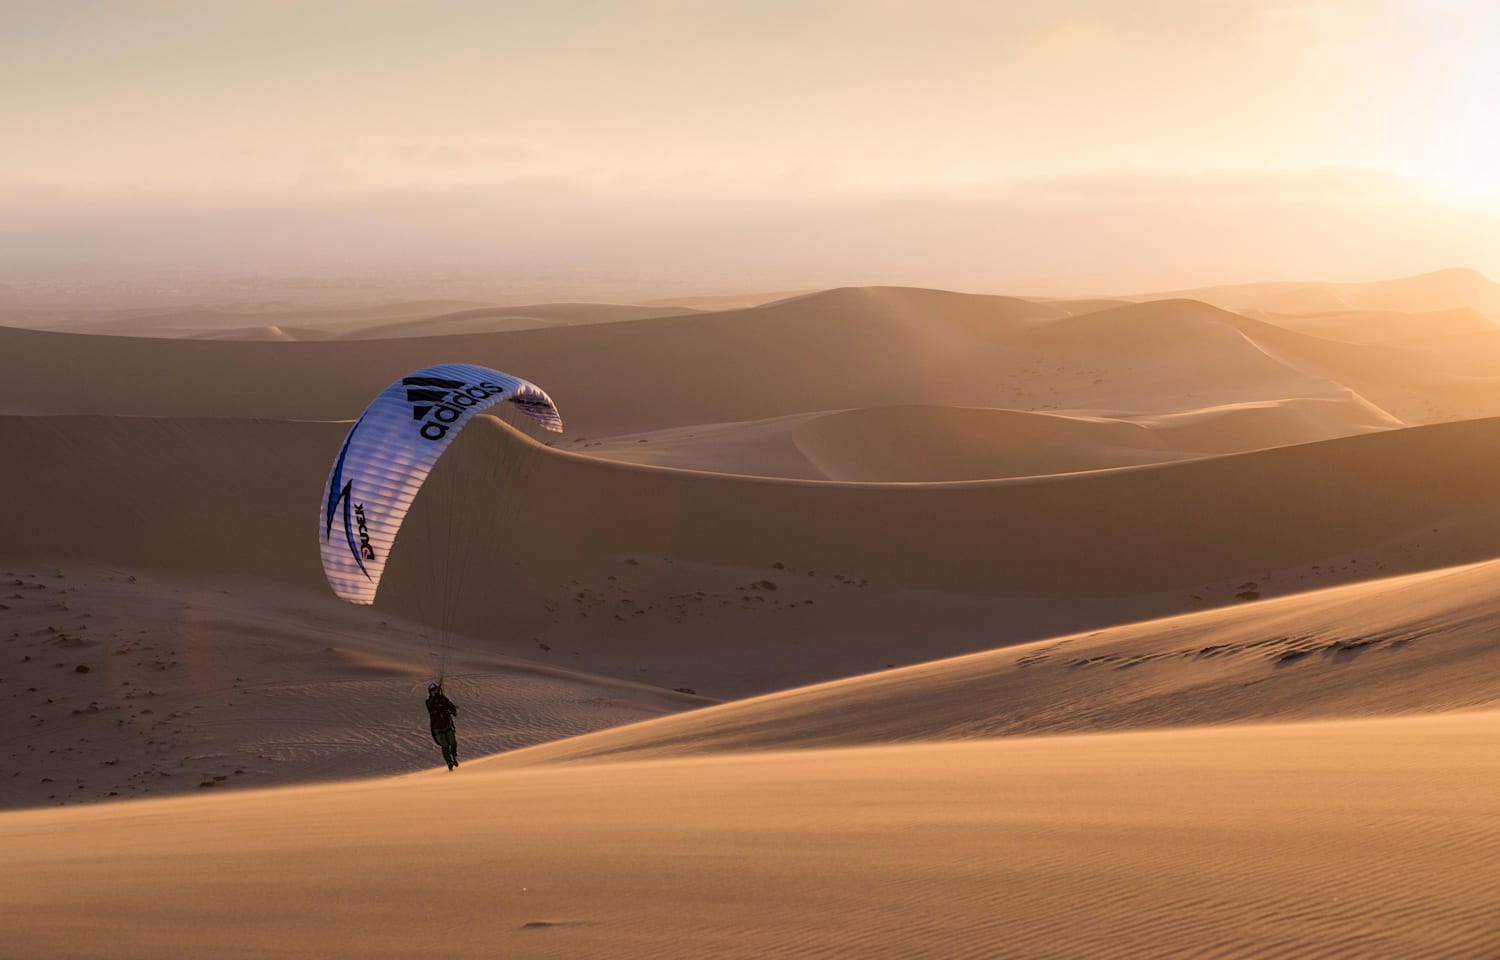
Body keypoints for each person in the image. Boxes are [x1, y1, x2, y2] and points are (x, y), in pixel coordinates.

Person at [425, 681, 460, 770]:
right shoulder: (428, 701)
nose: (434, 691)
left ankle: (454, 757)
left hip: (447, 725)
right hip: (437, 728)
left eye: (435, 689)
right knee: (445, 745)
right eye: (432, 690)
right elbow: (431, 705)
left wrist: (453, 709)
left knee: (452, 742)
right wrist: (436, 695)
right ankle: (449, 762)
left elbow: (450, 706)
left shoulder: (443, 698)